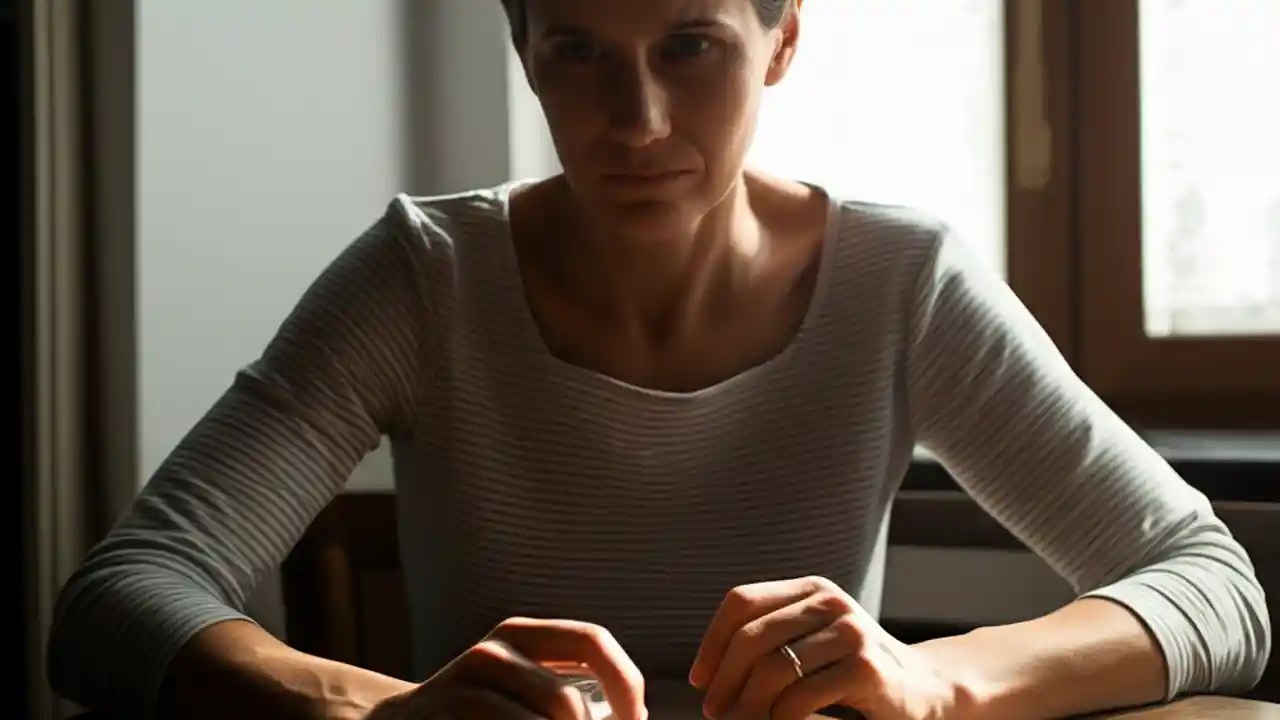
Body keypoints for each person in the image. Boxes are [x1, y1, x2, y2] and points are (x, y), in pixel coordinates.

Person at [48, 1, 1270, 718]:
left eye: (689, 42)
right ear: (524, 52)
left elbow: (1213, 583)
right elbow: (116, 601)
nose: (634, 122)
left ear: (781, 38)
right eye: (579, 49)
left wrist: (932, 682)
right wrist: (370, 709)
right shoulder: (426, 278)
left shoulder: (899, 283)